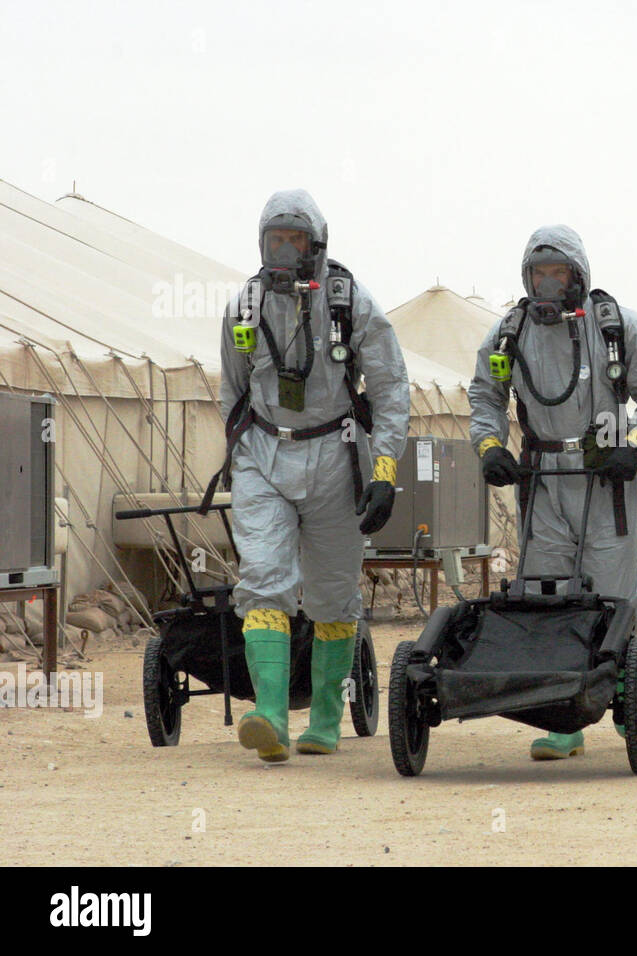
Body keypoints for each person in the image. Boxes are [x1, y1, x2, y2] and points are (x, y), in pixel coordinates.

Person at [468, 225, 637, 760]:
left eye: (557, 274)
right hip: (541, 478)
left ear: (577, 276)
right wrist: (490, 446)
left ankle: (626, 691)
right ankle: (565, 719)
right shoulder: (509, 334)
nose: (547, 285)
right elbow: (485, 396)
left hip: (604, 474)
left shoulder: (615, 327)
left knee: (612, 592)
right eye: (538, 274)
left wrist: (635, 443)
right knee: (546, 593)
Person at [216, 189, 409, 762]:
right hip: (263, 453)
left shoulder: (354, 304)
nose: (283, 251)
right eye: (274, 240)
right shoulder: (243, 306)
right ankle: (271, 714)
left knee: (330, 593)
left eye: (294, 241)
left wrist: (383, 469)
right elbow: (232, 388)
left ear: (316, 247)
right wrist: (236, 455)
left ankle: (324, 719)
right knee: (263, 577)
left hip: (336, 453)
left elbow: (392, 388)